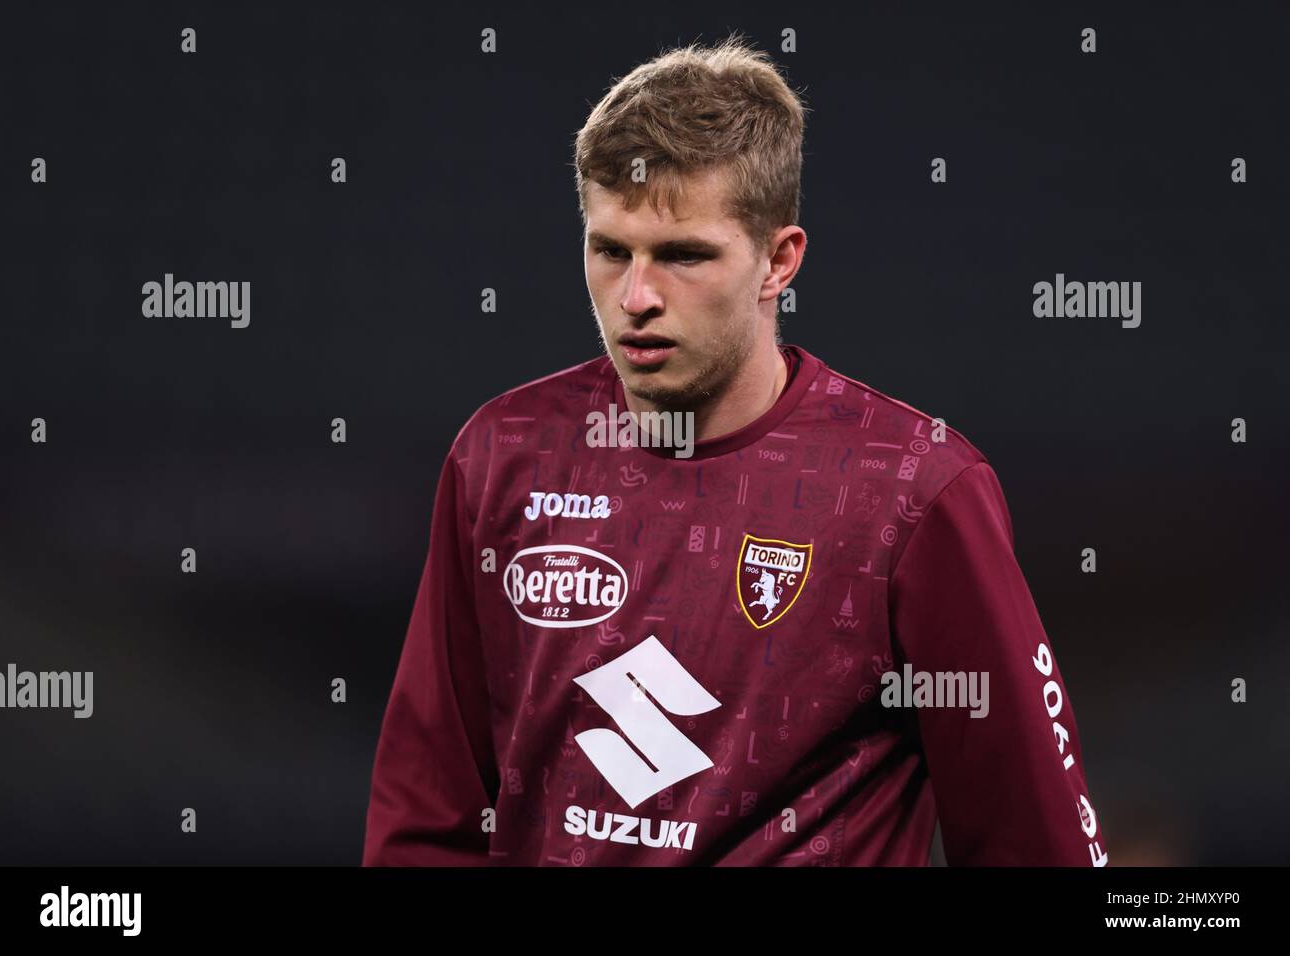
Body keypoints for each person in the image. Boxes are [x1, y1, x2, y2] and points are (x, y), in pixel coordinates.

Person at [362, 34, 1106, 866]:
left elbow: (1036, 842)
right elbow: (427, 815)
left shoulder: (915, 491)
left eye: (684, 255)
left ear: (778, 263)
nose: (637, 297)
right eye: (611, 250)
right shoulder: (502, 455)